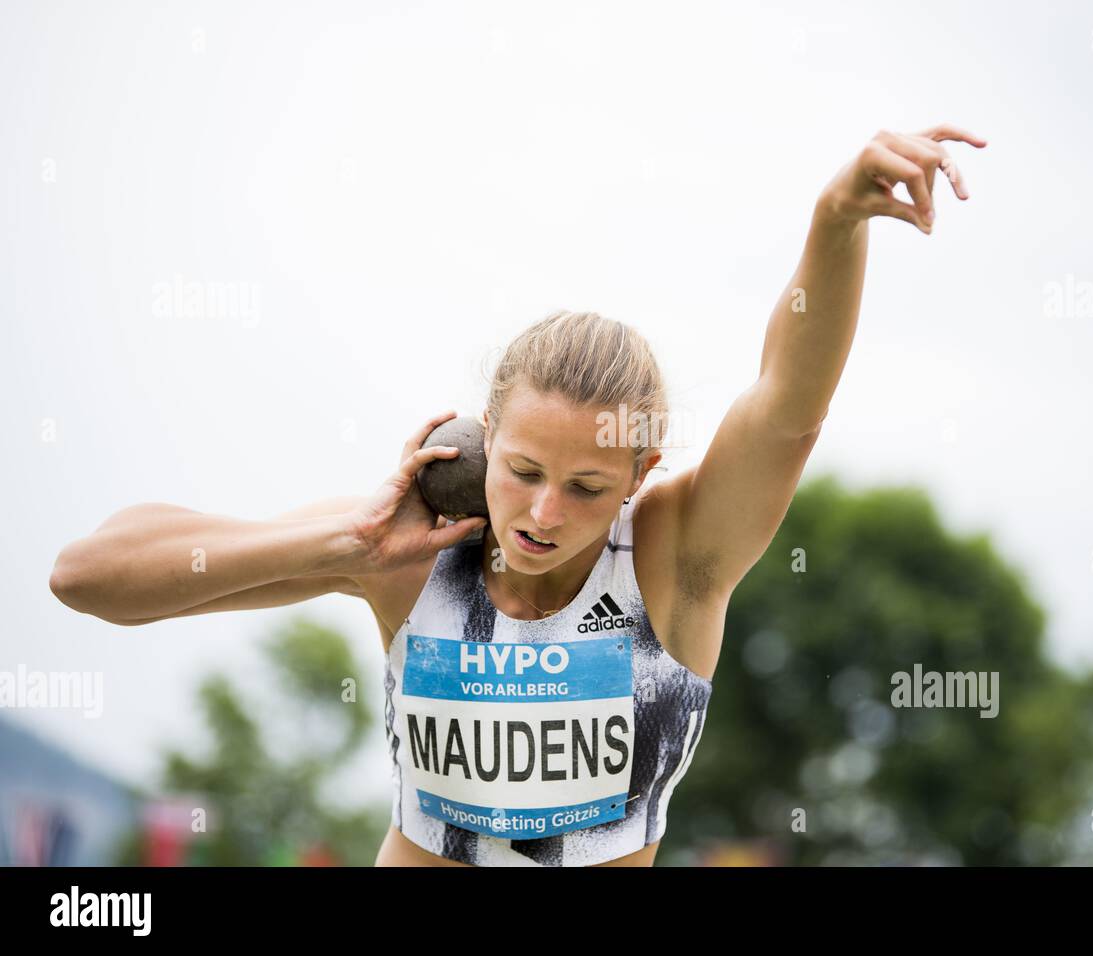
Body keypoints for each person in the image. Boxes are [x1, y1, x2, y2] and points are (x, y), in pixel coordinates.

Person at [48, 124, 986, 866]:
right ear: (482, 444)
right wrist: (340, 552)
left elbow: (787, 409)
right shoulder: (411, 557)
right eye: (524, 472)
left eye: (586, 487)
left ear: (639, 473)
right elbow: (88, 577)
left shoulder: (676, 559)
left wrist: (835, 220)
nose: (542, 514)